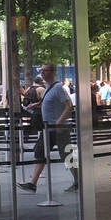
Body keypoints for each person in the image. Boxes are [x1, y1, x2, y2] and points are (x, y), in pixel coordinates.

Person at [20, 64, 77, 194]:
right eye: (41, 71)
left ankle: (78, 181)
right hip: (49, 128)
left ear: (52, 72)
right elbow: (49, 102)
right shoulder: (49, 88)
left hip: (58, 129)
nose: (42, 73)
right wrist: (36, 104)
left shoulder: (58, 88)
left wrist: (58, 122)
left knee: (67, 155)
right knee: (40, 152)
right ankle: (32, 183)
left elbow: (69, 106)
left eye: (44, 71)